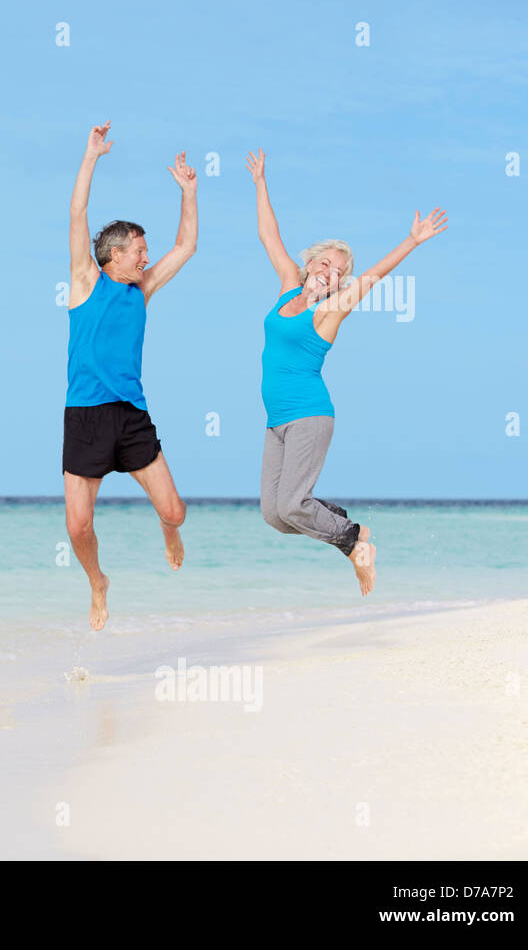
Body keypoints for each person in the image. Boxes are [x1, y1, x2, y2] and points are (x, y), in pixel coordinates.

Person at [245, 148, 447, 595]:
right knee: (275, 515)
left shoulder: (330, 312)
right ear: (311, 262)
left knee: (293, 504)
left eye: (338, 272)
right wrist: (260, 182)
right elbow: (268, 234)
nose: (329, 272)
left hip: (310, 416)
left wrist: (411, 240)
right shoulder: (285, 289)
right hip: (276, 420)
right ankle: (351, 534)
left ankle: (355, 542)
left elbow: (373, 276)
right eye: (325, 263)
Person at [64, 120, 197, 631]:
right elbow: (77, 213)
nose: (147, 255)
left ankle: (169, 532)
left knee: (177, 512)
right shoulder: (84, 282)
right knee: (77, 525)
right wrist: (91, 155)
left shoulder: (141, 289)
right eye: (139, 249)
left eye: (146, 250)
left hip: (132, 416)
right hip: (86, 416)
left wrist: (188, 191)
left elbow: (185, 246)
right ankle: (98, 582)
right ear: (112, 255)